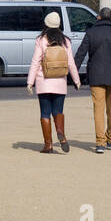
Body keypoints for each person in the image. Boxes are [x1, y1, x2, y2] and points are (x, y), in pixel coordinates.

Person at [73, 7, 111, 153]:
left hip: (96, 75)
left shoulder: (91, 33)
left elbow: (80, 54)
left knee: (98, 110)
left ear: (99, 17)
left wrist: (73, 75)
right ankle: (110, 139)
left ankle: (100, 143)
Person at [26, 12, 81, 153]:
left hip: (44, 81)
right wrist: (76, 80)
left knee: (45, 113)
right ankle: (61, 134)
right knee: (58, 111)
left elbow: (35, 62)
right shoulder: (65, 41)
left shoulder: (41, 40)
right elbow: (71, 63)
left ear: (46, 24)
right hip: (60, 83)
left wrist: (30, 82)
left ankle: (48, 145)